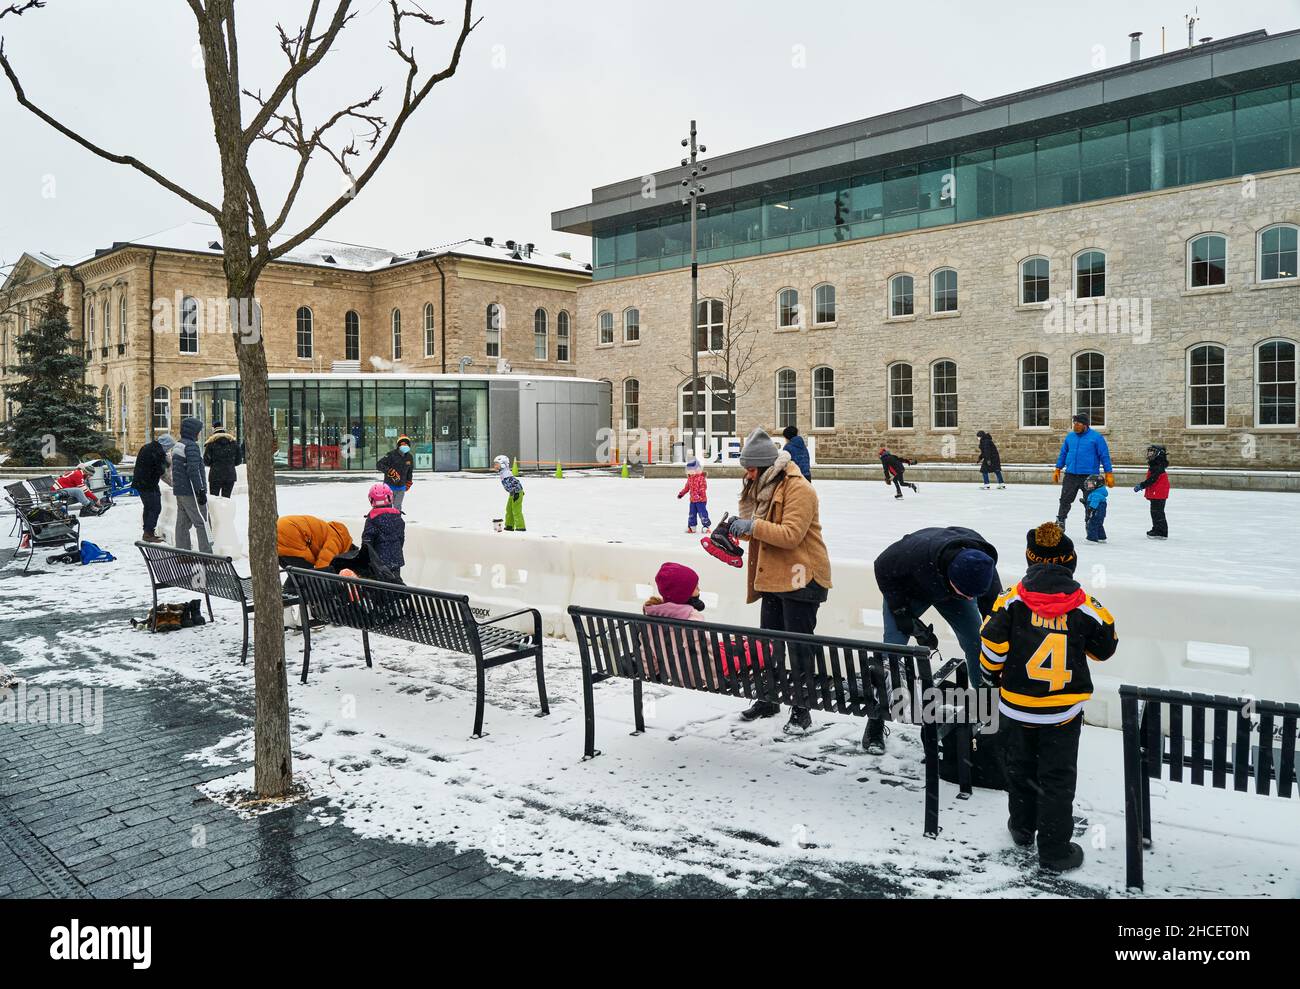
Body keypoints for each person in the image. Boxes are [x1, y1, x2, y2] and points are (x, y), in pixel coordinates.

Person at [979, 522, 1118, 873]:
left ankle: (1022, 829)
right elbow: (1106, 648)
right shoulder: (1086, 605)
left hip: (1016, 706)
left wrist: (991, 675)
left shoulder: (1010, 600)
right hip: (1063, 713)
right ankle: (1055, 850)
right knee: (1057, 778)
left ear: (1030, 560)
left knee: (1020, 767)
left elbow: (992, 647)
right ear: (1069, 562)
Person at [725, 428, 833, 735]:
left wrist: (753, 525)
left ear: (765, 466)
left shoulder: (800, 489)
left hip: (803, 576)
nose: (746, 473)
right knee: (768, 642)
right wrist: (737, 522)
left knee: (799, 646)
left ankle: (802, 708)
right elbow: (752, 530)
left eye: (749, 468)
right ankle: (768, 698)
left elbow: (790, 536)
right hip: (773, 575)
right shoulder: (763, 486)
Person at [870, 526, 1002, 753]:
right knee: (892, 649)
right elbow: (881, 567)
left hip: (949, 592)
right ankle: (876, 721)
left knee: (977, 642)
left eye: (974, 595)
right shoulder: (913, 552)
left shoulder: (983, 568)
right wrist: (900, 610)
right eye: (966, 594)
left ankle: (985, 710)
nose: (970, 599)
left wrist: (995, 638)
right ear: (952, 577)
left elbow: (992, 615)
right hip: (910, 590)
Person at [1053, 413, 1112, 528]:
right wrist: (1058, 468)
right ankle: (1061, 520)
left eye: (1078, 423)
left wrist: (1108, 473)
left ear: (1085, 424)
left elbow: (1104, 456)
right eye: (1074, 423)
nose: (1075, 426)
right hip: (1071, 475)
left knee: (1090, 502)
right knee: (1065, 499)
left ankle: (1090, 522)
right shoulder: (1070, 437)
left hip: (1089, 476)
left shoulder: (1096, 437)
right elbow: (1063, 453)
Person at [171, 416, 212, 553]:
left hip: (180, 490)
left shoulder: (179, 444)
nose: (199, 434)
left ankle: (183, 553)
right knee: (203, 522)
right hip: (191, 491)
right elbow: (193, 470)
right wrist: (200, 490)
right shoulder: (191, 446)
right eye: (198, 431)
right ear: (193, 432)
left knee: (182, 523)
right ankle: (207, 555)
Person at [362, 483, 406, 582]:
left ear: (371, 500)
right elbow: (401, 539)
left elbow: (367, 543)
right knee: (395, 581)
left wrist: (366, 559)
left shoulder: (372, 519)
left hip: (378, 561)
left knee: (381, 584)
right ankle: (397, 595)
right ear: (390, 498)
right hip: (396, 558)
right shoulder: (398, 517)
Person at [276, 515, 354, 570]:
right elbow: (323, 566)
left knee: (295, 572)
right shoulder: (338, 541)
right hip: (290, 532)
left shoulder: (333, 532)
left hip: (278, 530)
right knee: (307, 572)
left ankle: (288, 590)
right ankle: (289, 590)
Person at [133, 433, 171, 542]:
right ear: (165, 445)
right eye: (169, 447)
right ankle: (148, 533)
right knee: (155, 508)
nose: (169, 450)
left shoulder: (147, 447)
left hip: (141, 482)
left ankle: (147, 531)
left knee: (148, 507)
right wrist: (167, 462)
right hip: (149, 484)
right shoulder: (158, 452)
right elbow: (160, 471)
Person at [1134, 443, 1170, 540]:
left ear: (1158, 454)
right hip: (1157, 493)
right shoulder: (1155, 464)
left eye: (1152, 452)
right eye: (1149, 451)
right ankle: (1156, 529)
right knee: (1155, 512)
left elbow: (1152, 479)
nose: (1149, 453)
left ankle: (1162, 532)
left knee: (1158, 512)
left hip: (1159, 493)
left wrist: (1142, 485)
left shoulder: (1158, 466)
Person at [203, 421, 241, 498]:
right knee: (226, 499)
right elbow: (239, 460)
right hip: (230, 475)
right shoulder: (233, 443)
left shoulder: (211, 444)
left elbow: (206, 461)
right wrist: (230, 464)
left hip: (215, 475)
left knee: (214, 499)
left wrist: (214, 465)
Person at [376, 435, 414, 511]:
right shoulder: (391, 455)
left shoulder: (409, 457)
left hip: (401, 487)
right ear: (398, 445)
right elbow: (379, 465)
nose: (405, 446)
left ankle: (396, 521)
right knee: (387, 506)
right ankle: (386, 521)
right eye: (403, 444)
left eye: (406, 444)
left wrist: (409, 481)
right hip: (389, 486)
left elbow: (410, 471)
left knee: (397, 507)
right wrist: (389, 471)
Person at [677, 458, 710, 534]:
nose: (690, 472)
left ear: (697, 470)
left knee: (703, 514)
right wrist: (681, 494)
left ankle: (706, 526)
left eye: (692, 470)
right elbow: (686, 488)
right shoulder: (690, 479)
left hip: (701, 501)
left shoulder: (701, 478)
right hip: (692, 501)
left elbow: (703, 488)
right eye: (689, 470)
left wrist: (699, 496)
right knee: (692, 514)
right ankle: (692, 527)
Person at [494, 454, 525, 531]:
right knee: (509, 509)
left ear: (503, 465)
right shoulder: (503, 472)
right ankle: (509, 525)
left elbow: (516, 482)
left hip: (516, 492)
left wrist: (516, 492)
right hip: (512, 493)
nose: (495, 466)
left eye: (496, 464)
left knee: (516, 510)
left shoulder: (506, 473)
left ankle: (520, 527)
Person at [1081, 474, 1108, 543]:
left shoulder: (1096, 494)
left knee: (1092, 524)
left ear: (1098, 484)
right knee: (1098, 524)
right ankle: (1101, 537)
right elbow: (1093, 502)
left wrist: (1090, 508)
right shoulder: (1097, 492)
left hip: (1096, 512)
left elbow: (1094, 503)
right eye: (1088, 483)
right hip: (1099, 513)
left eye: (1091, 484)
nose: (1088, 485)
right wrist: (1085, 502)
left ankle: (1091, 539)